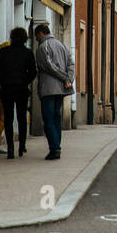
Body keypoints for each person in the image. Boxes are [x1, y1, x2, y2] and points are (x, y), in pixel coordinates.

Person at [0, 27, 37, 159]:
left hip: (6, 89)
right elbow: (33, 72)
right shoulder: (28, 53)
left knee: (8, 119)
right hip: (21, 89)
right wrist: (25, 81)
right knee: (22, 118)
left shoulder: (4, 52)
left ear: (11, 37)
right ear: (24, 38)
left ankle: (10, 148)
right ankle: (22, 146)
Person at [34, 24, 74, 160]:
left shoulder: (42, 47)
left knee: (49, 118)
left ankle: (55, 148)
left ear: (40, 33)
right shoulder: (61, 45)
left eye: (36, 36)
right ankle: (57, 145)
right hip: (61, 89)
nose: (36, 39)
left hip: (49, 88)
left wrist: (64, 78)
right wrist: (68, 79)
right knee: (57, 117)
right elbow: (71, 63)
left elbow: (49, 66)